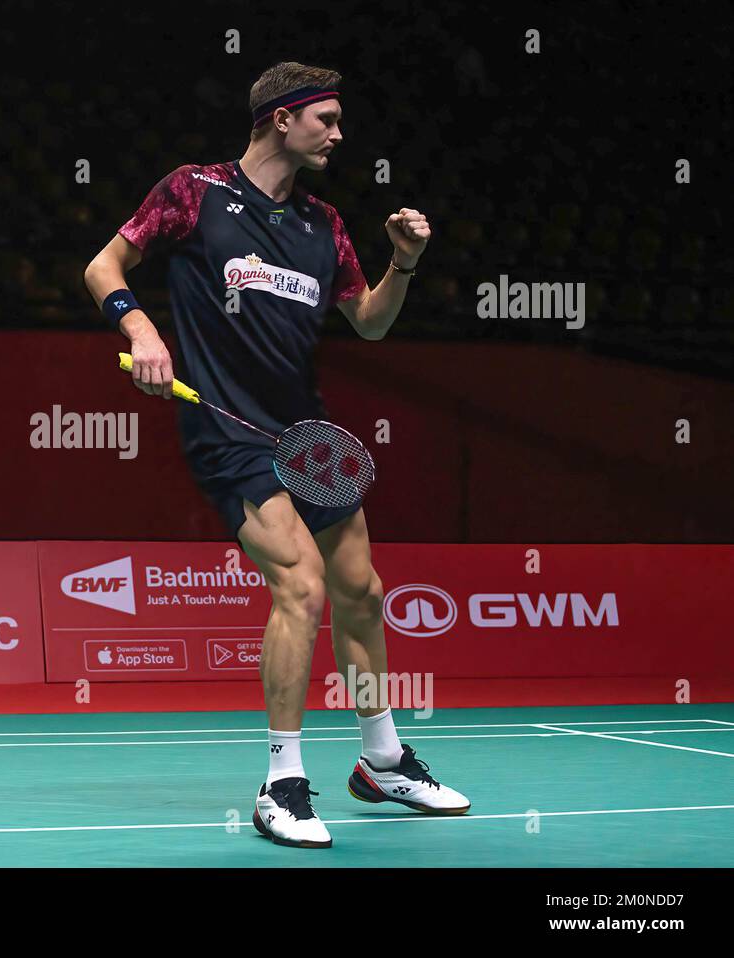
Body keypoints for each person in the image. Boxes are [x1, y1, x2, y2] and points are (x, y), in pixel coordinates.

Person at [83, 61, 469, 849]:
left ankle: (383, 759)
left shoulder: (323, 224)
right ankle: (281, 784)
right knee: (302, 581)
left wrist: (403, 263)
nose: (338, 132)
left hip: (305, 435)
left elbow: (368, 323)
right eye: (324, 119)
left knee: (361, 587)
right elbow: (103, 266)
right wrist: (141, 329)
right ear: (279, 120)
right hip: (225, 425)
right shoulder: (194, 191)